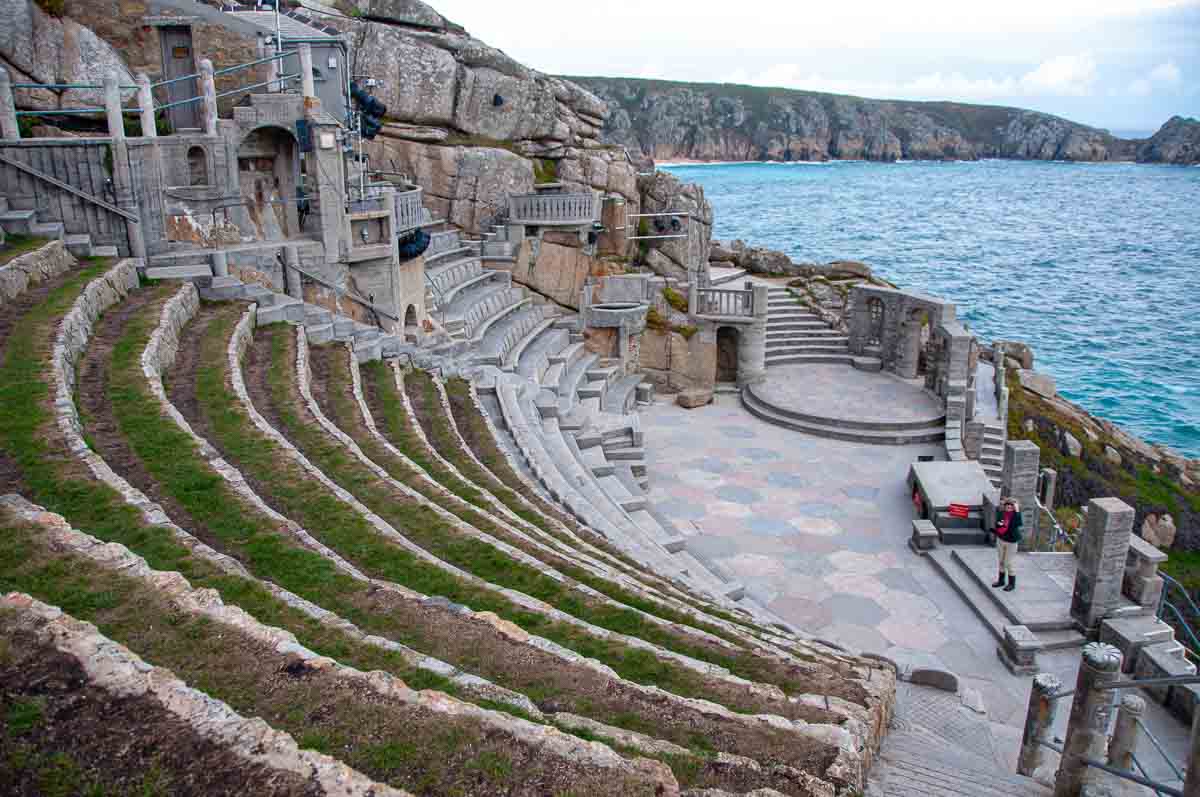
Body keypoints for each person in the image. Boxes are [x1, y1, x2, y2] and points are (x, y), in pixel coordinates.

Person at [992, 498, 1023, 592]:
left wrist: (1017, 511)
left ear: (1014, 508)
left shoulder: (1016, 515)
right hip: (1001, 540)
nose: (1009, 508)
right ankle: (1001, 581)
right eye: (1007, 506)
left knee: (1008, 563)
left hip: (1012, 542)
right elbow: (997, 524)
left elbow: (1018, 524)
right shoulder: (1001, 513)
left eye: (1011, 507)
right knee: (1001, 561)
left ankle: (1011, 584)